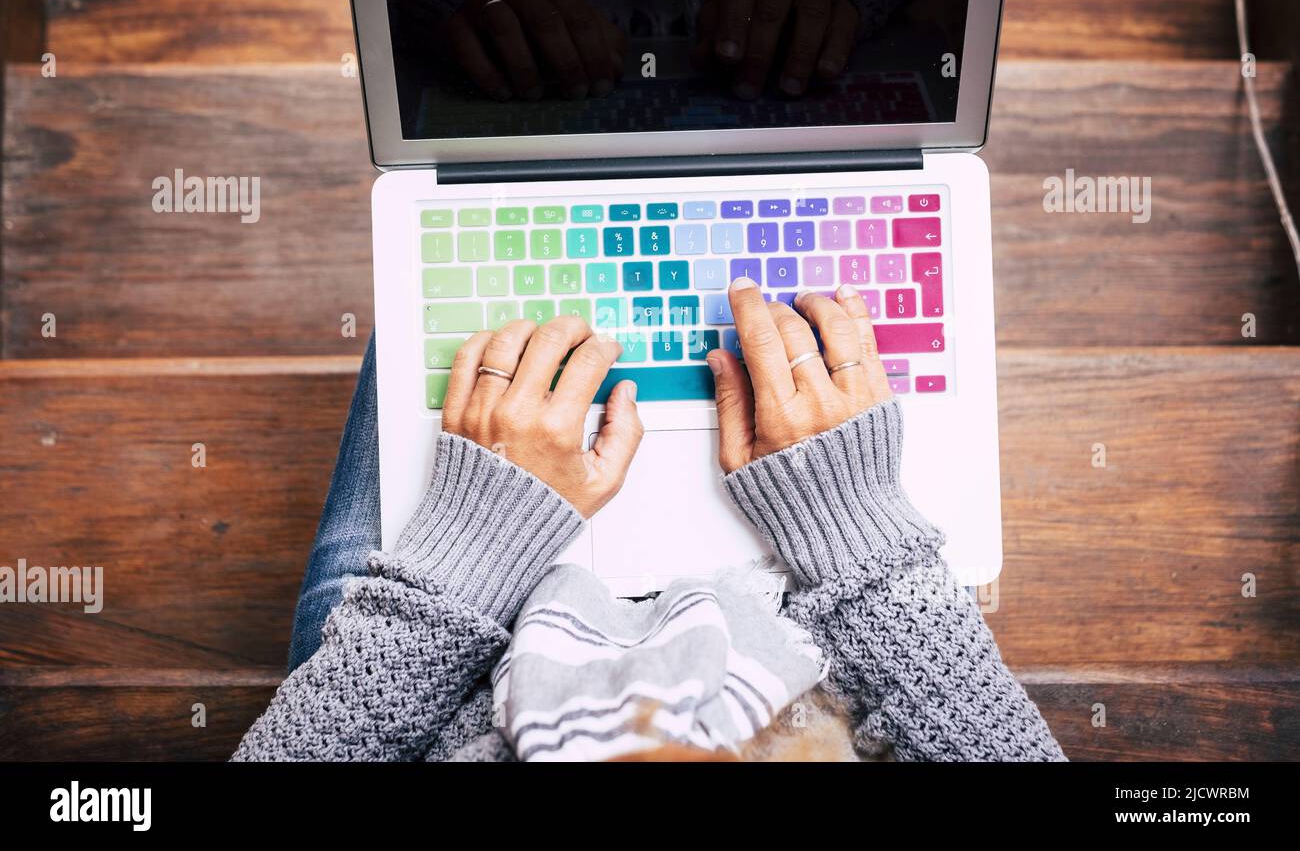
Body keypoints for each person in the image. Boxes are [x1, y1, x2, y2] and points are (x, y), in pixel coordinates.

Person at [233, 280, 1065, 761]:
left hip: (447, 686)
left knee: (462, 325)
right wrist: (856, 536)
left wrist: (467, 554)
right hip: (803, 662)